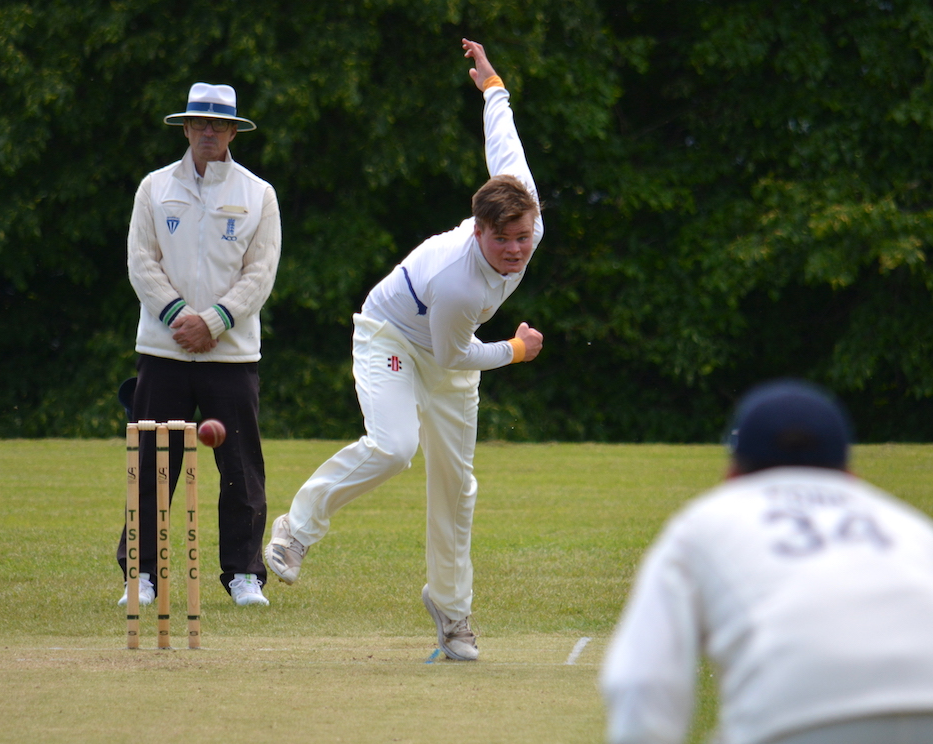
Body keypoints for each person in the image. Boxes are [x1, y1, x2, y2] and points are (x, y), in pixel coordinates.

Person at [264, 38, 544, 661]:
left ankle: (452, 617)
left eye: (524, 238)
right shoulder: (458, 280)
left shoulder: (525, 211)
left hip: (449, 347)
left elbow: (506, 145)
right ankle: (295, 530)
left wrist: (493, 87)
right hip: (395, 333)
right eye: (504, 243)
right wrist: (517, 353)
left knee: (457, 487)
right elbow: (455, 356)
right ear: (479, 232)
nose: (518, 251)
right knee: (394, 447)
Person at [601, 379, 933, 744]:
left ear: (732, 474)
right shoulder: (909, 525)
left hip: (792, 717)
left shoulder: (704, 521)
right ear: (850, 475)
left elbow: (642, 681)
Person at [116, 82, 282, 608]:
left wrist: (213, 321)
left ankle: (243, 574)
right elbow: (141, 262)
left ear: (234, 130)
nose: (208, 131)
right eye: (199, 122)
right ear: (185, 128)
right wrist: (176, 317)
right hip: (163, 350)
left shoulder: (258, 194)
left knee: (239, 468)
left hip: (230, 354)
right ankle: (140, 575)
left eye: (219, 123)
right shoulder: (154, 188)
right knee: (150, 462)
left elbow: (260, 274)